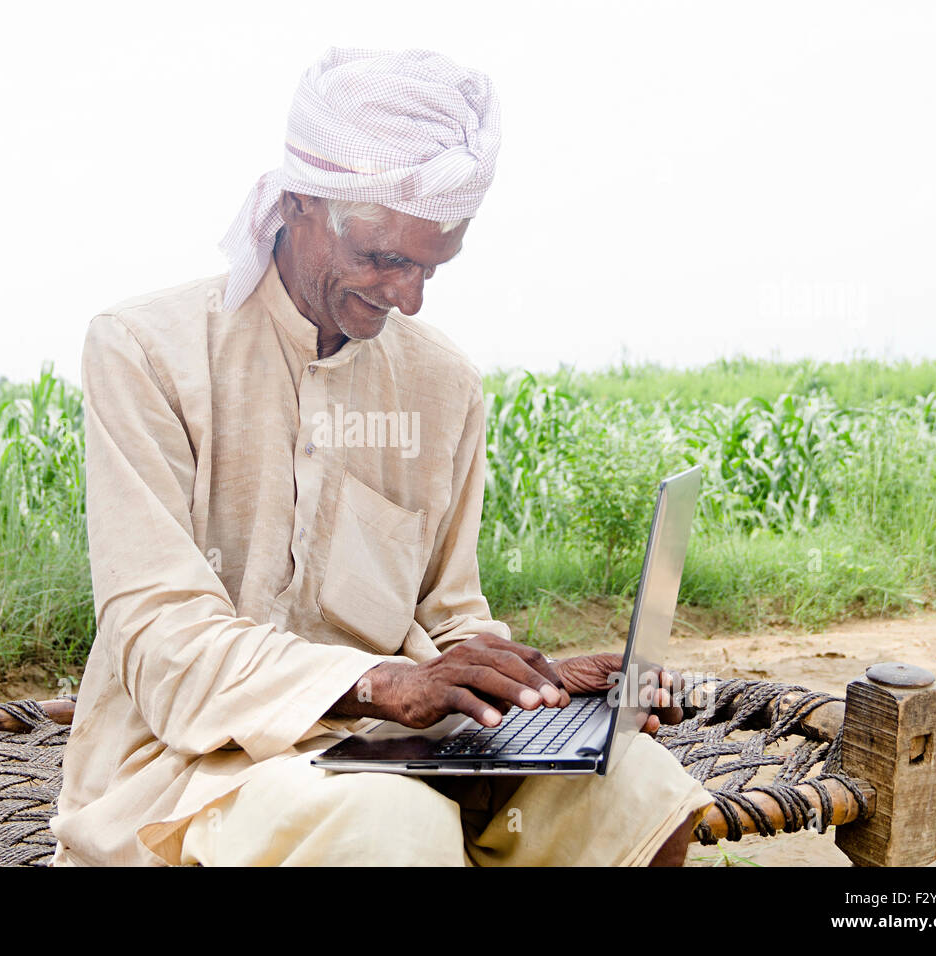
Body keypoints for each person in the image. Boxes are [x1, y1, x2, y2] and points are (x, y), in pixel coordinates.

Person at [50, 46, 714, 867]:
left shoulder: (444, 383)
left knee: (638, 785)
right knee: (389, 820)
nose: (408, 297)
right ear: (298, 203)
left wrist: (530, 681)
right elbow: (163, 642)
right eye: (382, 258)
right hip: (187, 770)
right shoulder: (146, 351)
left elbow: (449, 615)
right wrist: (376, 683)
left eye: (431, 267)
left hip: (393, 751)